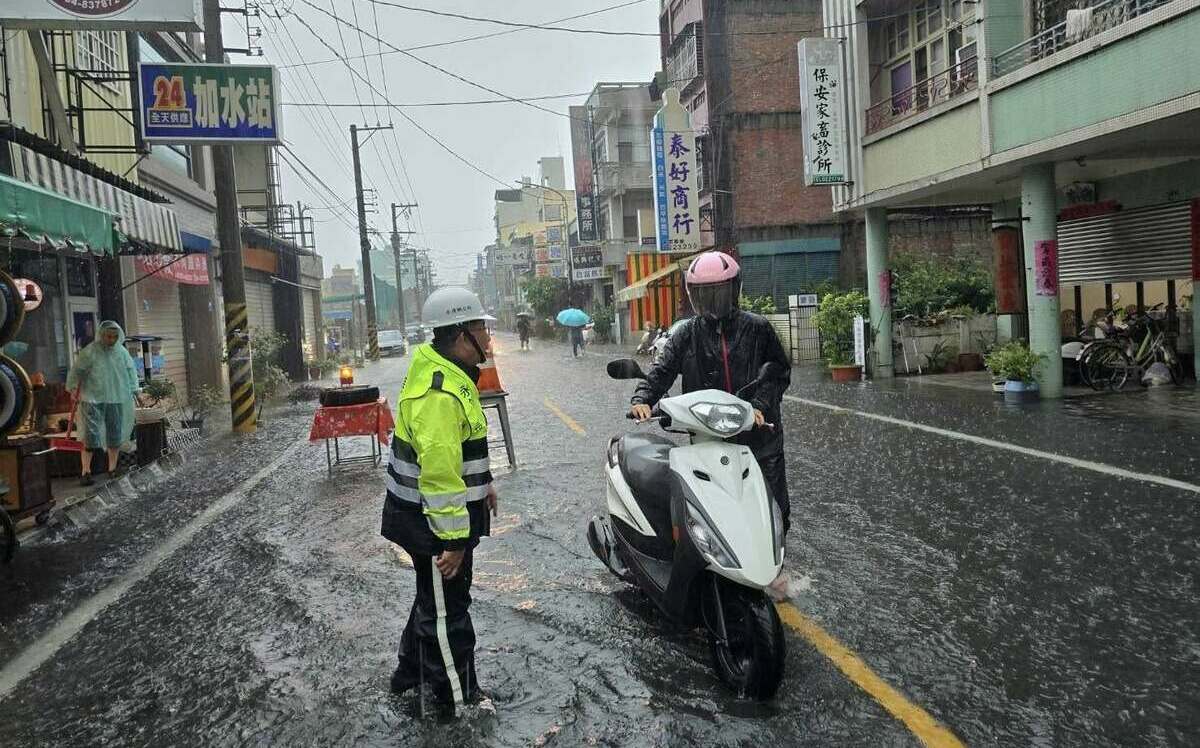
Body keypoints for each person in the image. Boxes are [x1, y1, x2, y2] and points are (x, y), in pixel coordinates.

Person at [628, 251, 793, 599]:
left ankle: (774, 565)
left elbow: (778, 371)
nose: (712, 302)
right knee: (707, 500)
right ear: (693, 295)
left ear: (734, 290)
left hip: (758, 435)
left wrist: (760, 406)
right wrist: (643, 397)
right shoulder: (686, 333)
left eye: (719, 292)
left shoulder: (757, 328)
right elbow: (662, 369)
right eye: (704, 294)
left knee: (772, 505)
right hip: (706, 434)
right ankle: (710, 559)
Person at [382, 287, 498, 714]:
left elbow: (459, 453)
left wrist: (483, 482)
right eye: (481, 328)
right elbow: (437, 474)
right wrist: (453, 542)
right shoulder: (439, 391)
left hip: (434, 517)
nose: (487, 337)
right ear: (459, 335)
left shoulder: (448, 373)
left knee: (431, 600)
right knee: (448, 614)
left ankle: (408, 676)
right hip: (432, 523)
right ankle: (455, 700)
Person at [65, 320, 139, 486]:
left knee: (115, 434)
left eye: (114, 336)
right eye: (108, 336)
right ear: (101, 335)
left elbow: (131, 371)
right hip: (92, 399)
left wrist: (135, 389)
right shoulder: (90, 352)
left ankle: (112, 468)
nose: (111, 339)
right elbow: (76, 371)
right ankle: (86, 471)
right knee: (90, 437)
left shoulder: (122, 353)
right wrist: (72, 388)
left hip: (116, 398)